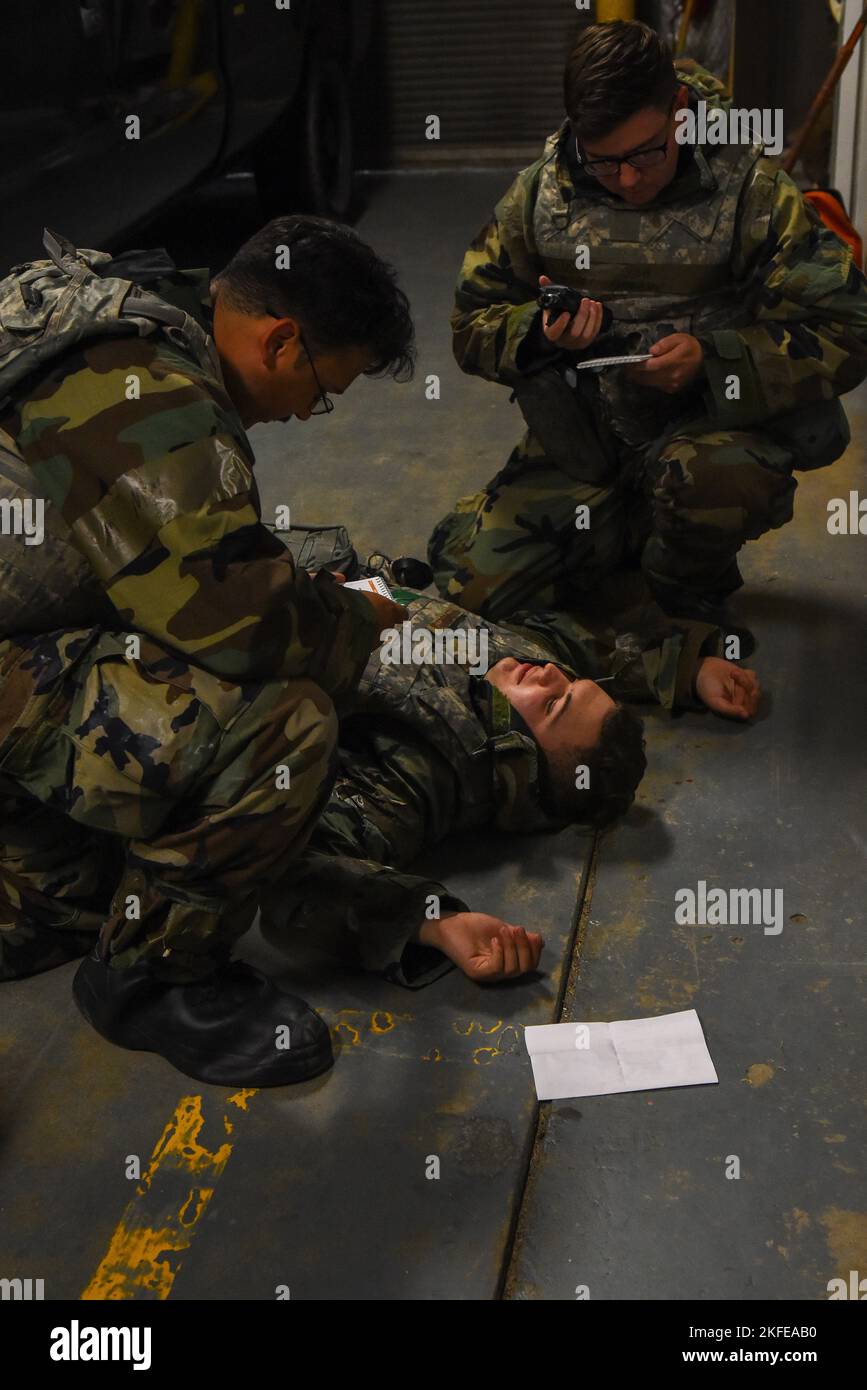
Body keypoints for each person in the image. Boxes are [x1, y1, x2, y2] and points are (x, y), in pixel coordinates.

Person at [0, 215, 412, 1087]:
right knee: (284, 721)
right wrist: (356, 627)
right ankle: (151, 981)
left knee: (67, 901)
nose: (308, 412)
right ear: (282, 339)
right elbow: (236, 623)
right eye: (322, 389)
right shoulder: (144, 390)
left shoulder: (130, 311)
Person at [427, 19, 867, 629]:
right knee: (474, 596)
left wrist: (715, 361)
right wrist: (537, 332)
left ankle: (684, 576)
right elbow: (471, 322)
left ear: (680, 110)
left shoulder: (753, 193)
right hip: (590, 437)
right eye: (604, 162)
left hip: (705, 434)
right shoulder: (540, 195)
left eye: (646, 153)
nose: (628, 180)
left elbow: (847, 326)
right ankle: (624, 535)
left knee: (716, 491)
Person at [260, 576, 760, 994]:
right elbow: (576, 642)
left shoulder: (414, 780)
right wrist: (689, 669)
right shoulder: (523, 677)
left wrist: (434, 924)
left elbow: (293, 874)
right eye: (568, 684)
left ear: (518, 757)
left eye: (553, 704)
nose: (546, 675)